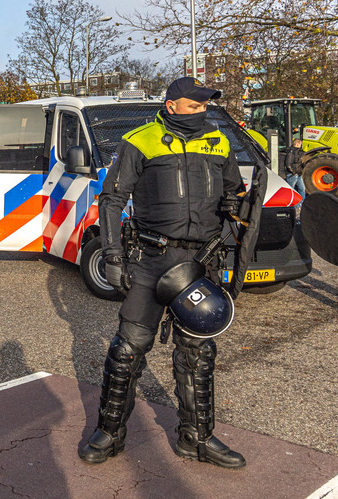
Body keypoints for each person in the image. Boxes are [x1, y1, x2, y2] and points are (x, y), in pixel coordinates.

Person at [80, 76, 246, 470]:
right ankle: (110, 433)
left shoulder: (219, 141)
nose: (202, 111)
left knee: (198, 353)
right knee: (128, 349)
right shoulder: (139, 140)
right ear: (171, 105)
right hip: (151, 259)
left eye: (205, 106)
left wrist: (235, 213)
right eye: (194, 106)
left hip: (200, 263)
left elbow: (232, 191)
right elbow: (112, 200)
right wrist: (113, 257)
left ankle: (197, 438)